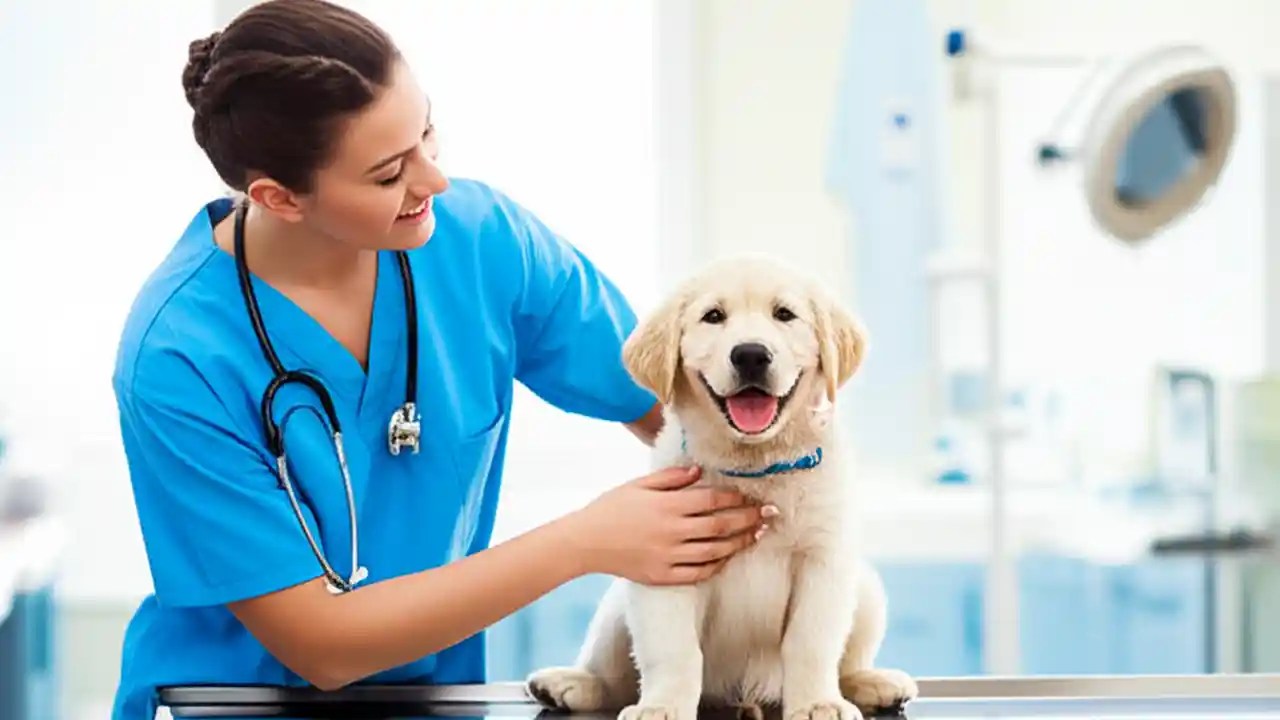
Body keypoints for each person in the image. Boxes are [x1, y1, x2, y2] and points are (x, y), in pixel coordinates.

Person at [109, 1, 769, 717]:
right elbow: (322, 644)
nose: (434, 181)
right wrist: (584, 543)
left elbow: (677, 404)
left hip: (429, 698)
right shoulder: (179, 356)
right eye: (390, 173)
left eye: (427, 133)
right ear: (278, 197)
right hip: (233, 700)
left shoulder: (482, 242)